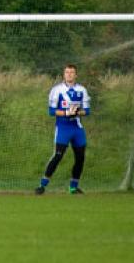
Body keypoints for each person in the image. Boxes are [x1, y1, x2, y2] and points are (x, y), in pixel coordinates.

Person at [36, 64, 90, 195]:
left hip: (77, 128)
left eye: (72, 72)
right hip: (63, 128)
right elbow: (51, 111)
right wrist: (66, 113)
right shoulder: (57, 90)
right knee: (58, 156)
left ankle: (73, 187)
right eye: (67, 72)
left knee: (80, 157)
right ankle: (42, 185)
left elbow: (87, 111)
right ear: (64, 74)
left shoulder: (82, 90)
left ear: (76, 75)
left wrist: (77, 112)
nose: (69, 75)